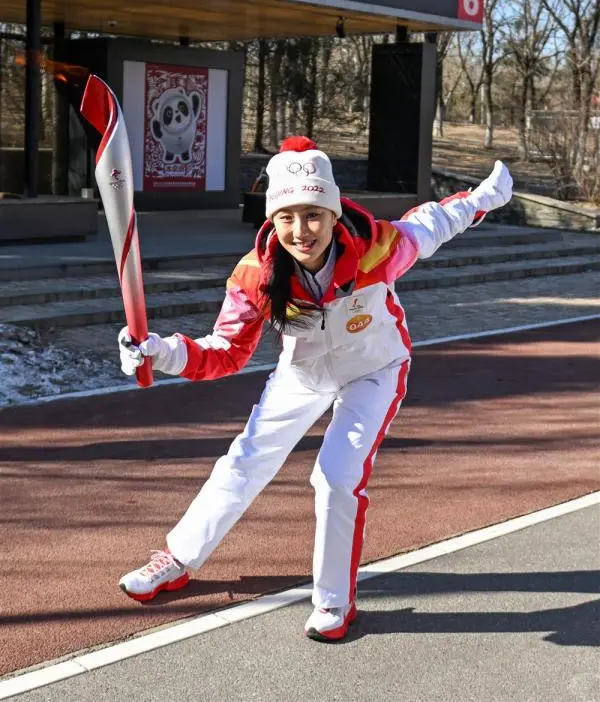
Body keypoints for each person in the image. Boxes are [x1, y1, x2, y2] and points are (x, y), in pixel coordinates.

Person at [117, 136, 513, 642]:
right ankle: (176, 559)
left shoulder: (379, 248)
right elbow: (224, 353)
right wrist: (159, 351)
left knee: (335, 477)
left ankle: (332, 602)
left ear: (332, 212)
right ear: (271, 220)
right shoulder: (255, 275)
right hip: (301, 376)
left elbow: (436, 219)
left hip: (375, 372)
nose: (300, 231)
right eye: (286, 217)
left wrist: (484, 196)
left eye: (312, 215)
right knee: (244, 461)